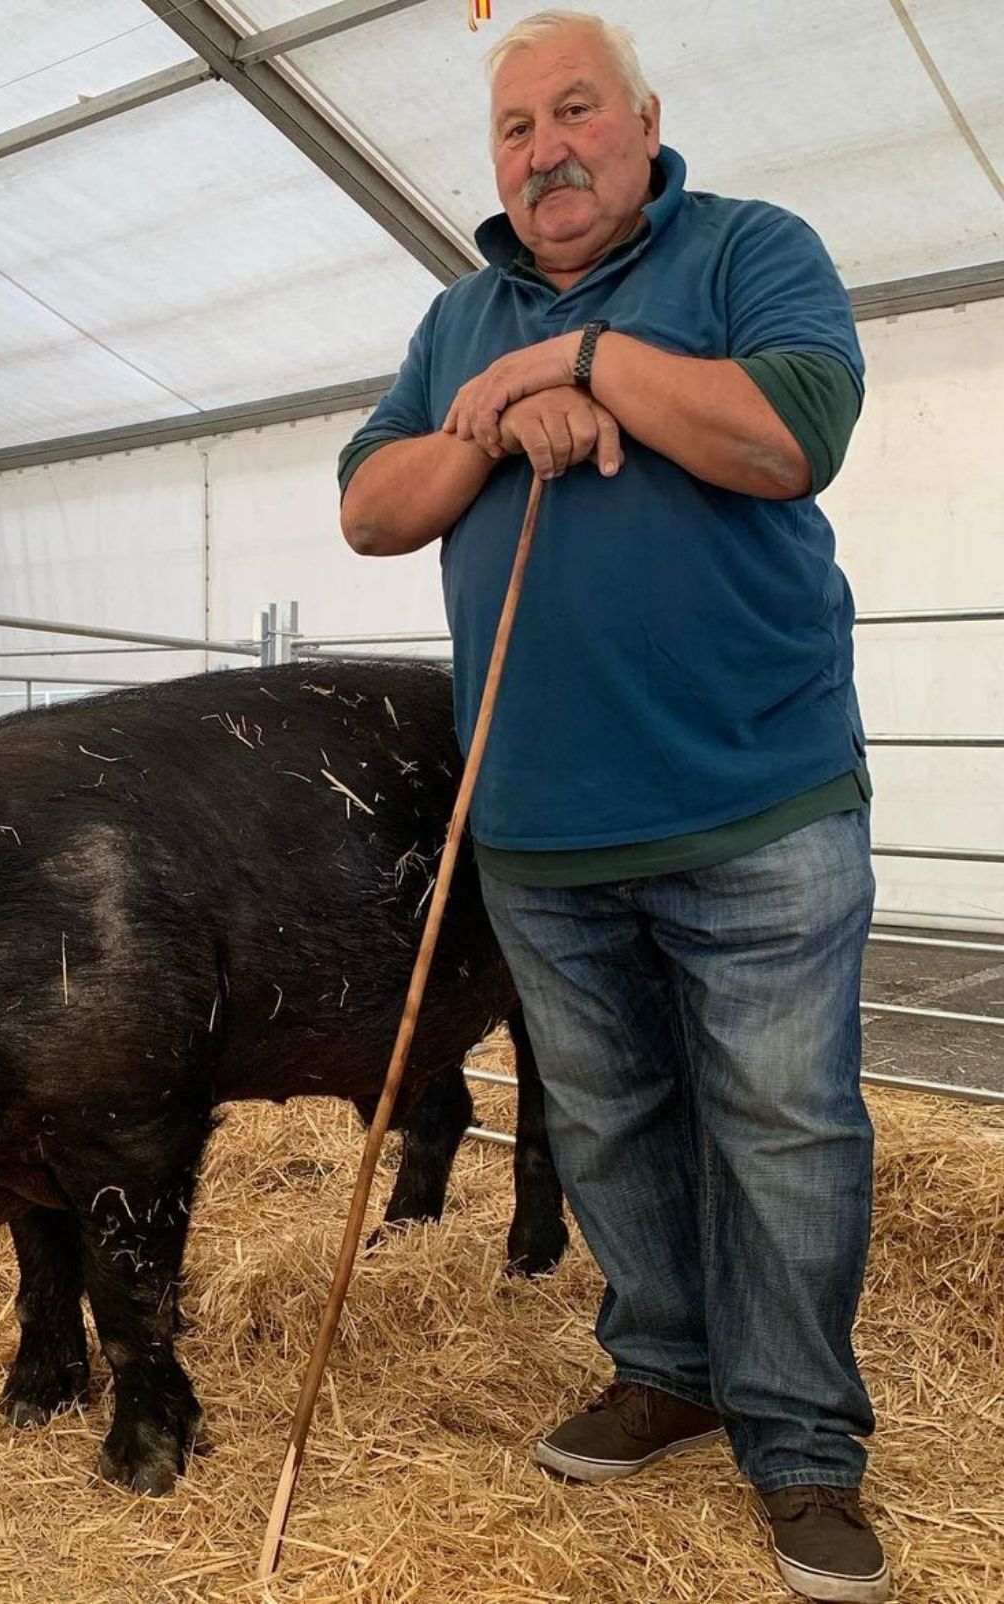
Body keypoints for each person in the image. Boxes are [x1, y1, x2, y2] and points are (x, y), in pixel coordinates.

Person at [338, 13, 886, 1602]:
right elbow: (372, 506)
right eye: (516, 127)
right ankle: (668, 1366)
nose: (545, 147)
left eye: (576, 111)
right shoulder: (457, 317)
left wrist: (585, 363)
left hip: (756, 798)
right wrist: (490, 415)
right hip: (543, 824)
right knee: (609, 1121)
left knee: (784, 1132)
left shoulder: (750, 252)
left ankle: (800, 1446)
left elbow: (792, 438)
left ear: (646, 123)